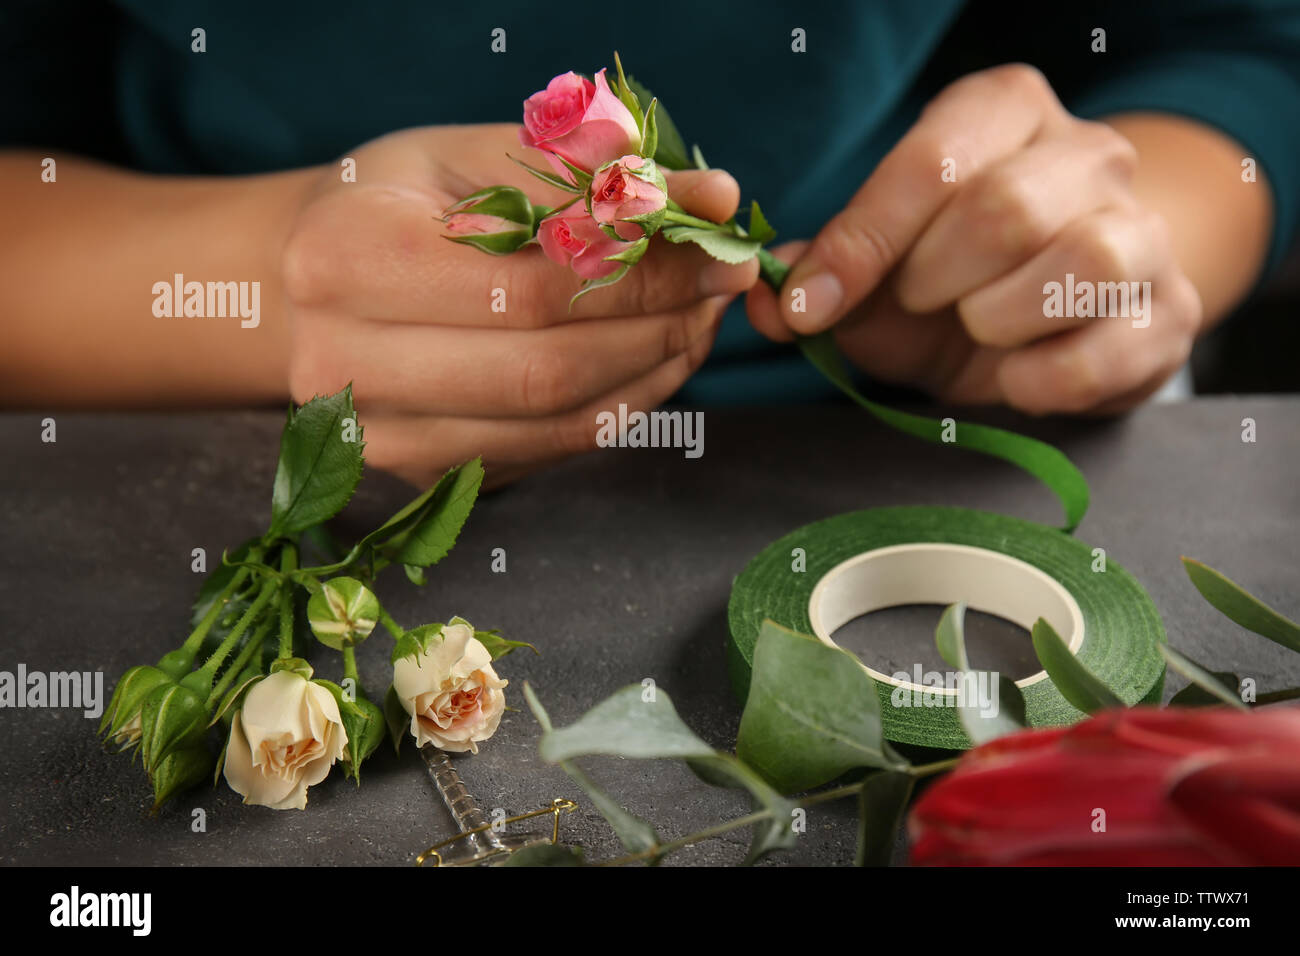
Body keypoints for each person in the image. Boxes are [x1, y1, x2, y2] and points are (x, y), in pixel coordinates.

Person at [3, 1, 1296, 488]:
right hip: (186, 447)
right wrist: (261, 283)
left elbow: (1247, 52)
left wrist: (1085, 256)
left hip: (909, 448)